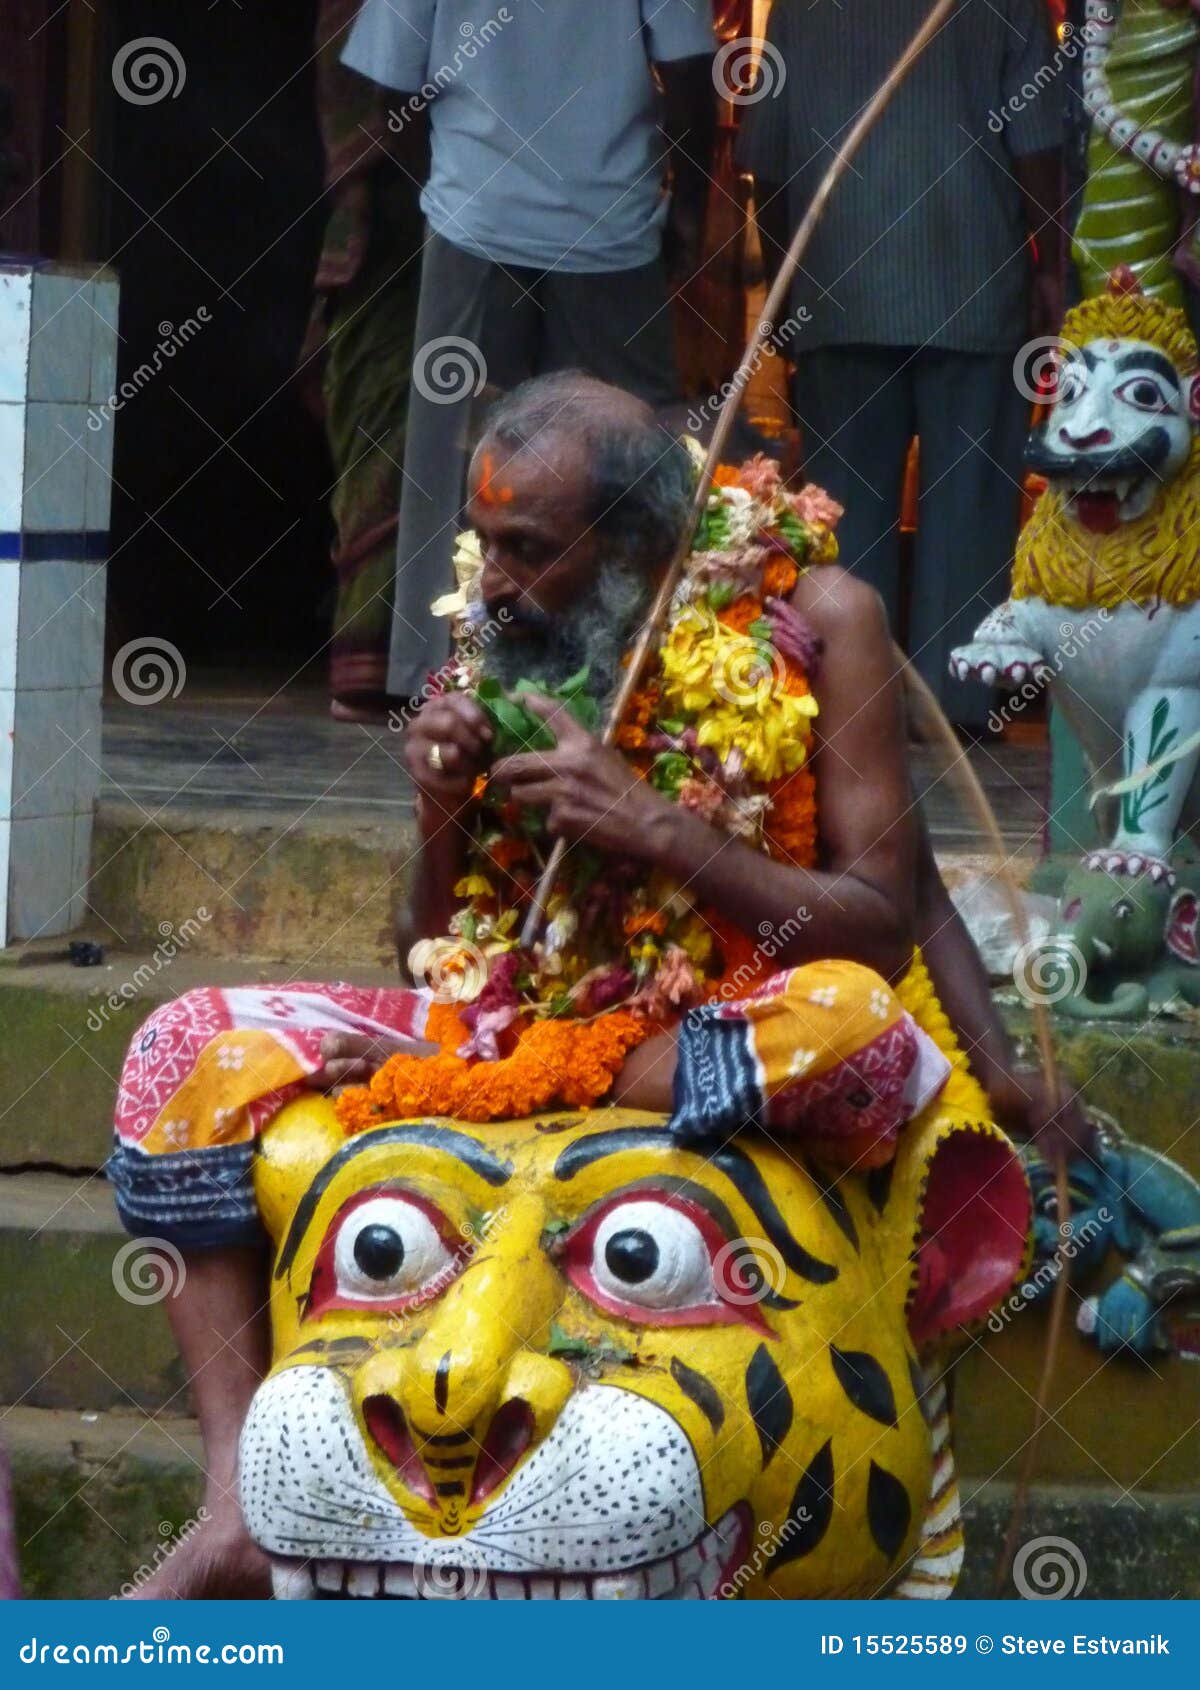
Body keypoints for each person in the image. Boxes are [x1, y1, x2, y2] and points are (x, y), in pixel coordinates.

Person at [108, 373, 1085, 1597]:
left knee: (856, 1030)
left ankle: (486, 1091)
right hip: (520, 1014)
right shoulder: (503, 628)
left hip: (728, 1014)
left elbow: (885, 923)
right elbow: (429, 943)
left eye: (528, 547)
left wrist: (661, 831)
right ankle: (233, 1501)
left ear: (640, 543)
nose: (496, 577)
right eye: (485, 540)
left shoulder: (821, 619)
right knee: (181, 1045)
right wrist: (438, 802)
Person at [338, 0, 718, 705]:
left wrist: (454, 179)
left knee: (456, 469)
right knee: (636, 470)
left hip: (477, 219)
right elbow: (693, 72)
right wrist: (688, 210)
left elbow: (391, 86)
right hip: (612, 225)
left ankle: (443, 681)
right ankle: (643, 675)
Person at [737, 0, 1067, 727]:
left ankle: (855, 709)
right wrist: (1054, 264)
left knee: (845, 523)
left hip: (839, 291)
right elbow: (1040, 143)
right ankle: (958, 711)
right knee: (971, 515)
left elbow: (764, 160)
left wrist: (793, 282)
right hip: (974, 280)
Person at [300, 1, 429, 720]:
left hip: (434, 232)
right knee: (384, 440)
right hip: (384, 236)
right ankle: (368, 665)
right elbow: (373, 98)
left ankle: (403, 661)